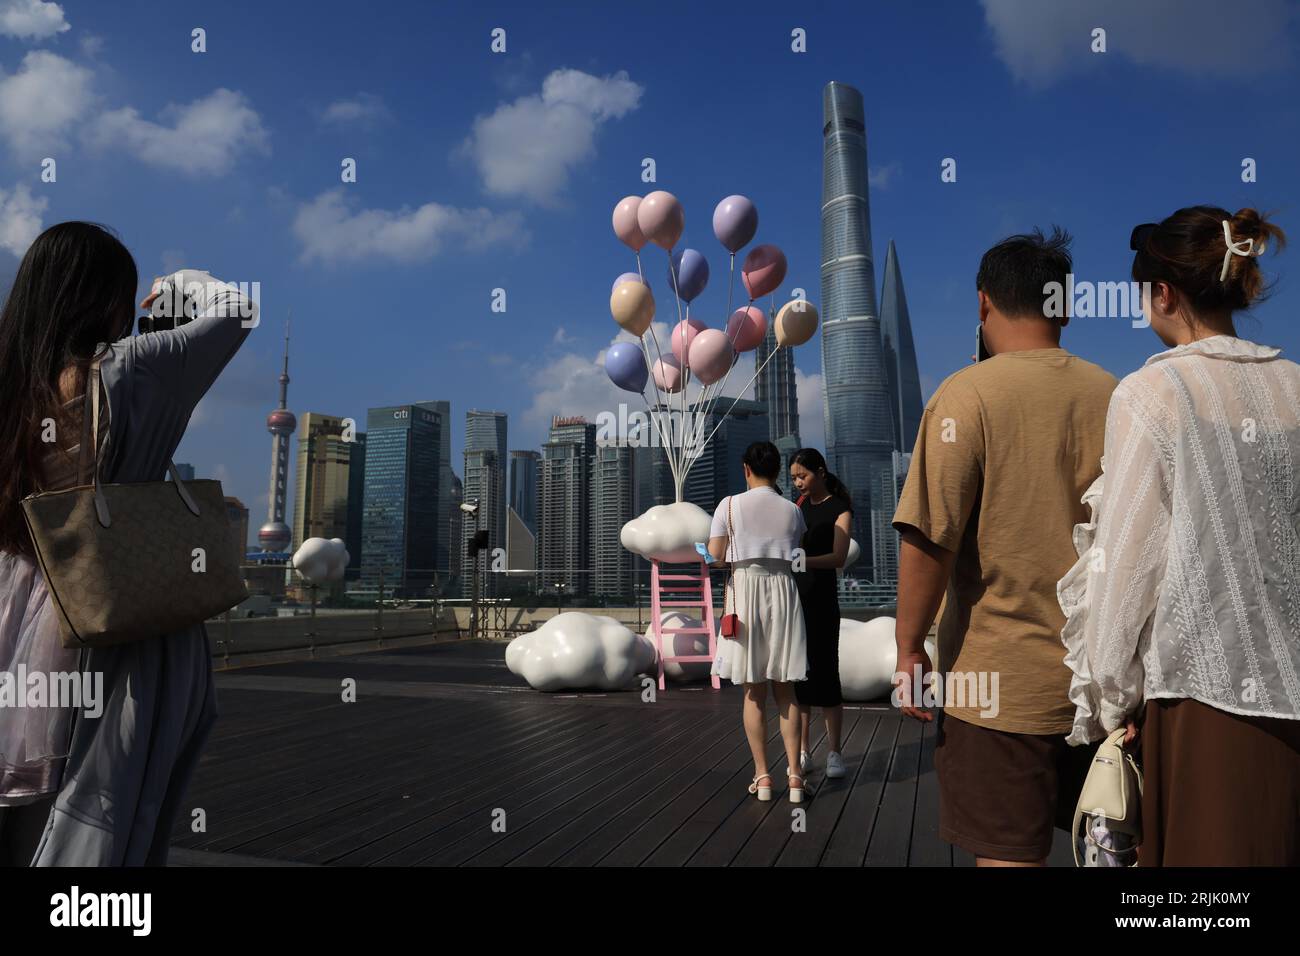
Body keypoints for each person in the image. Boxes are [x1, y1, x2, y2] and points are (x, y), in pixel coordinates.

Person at [0, 222, 256, 865]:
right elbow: (238, 310)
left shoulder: (11, 389)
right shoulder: (135, 369)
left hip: (17, 603)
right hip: (116, 606)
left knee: (31, 802)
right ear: (111, 297)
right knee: (110, 799)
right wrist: (183, 285)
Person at [1060, 206, 1300, 866]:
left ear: (1163, 293)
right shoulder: (1295, 387)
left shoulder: (1154, 392)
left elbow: (1126, 562)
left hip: (1199, 702)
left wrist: (1112, 697)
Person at [892, 226, 1118, 866]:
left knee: (1006, 858)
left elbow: (929, 537)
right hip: (1102, 686)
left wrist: (909, 650)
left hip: (994, 687)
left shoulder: (966, 394)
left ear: (983, 303)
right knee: (1111, 857)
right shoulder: (1117, 394)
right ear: (1065, 308)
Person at [709, 441, 809, 802]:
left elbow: (717, 558)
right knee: (787, 688)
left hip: (745, 591)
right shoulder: (793, 511)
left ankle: (763, 777)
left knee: (754, 690)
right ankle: (796, 777)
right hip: (784, 590)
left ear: (746, 469)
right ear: (778, 470)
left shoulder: (729, 505)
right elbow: (793, 551)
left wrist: (702, 551)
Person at [788, 448, 853, 778]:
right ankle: (803, 751)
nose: (798, 482)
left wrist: (803, 562)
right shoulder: (797, 507)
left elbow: (839, 557)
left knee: (827, 676)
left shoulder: (840, 510)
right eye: (794, 477)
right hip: (797, 600)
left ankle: (834, 753)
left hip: (823, 602)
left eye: (803, 475)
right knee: (800, 678)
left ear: (820, 472)